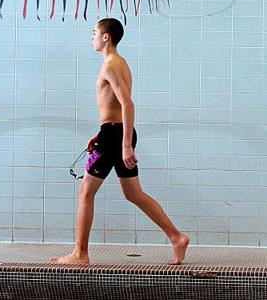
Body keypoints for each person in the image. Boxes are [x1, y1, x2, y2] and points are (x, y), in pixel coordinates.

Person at [52, 17, 190, 266]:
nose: (91, 37)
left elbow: (127, 103)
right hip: (113, 132)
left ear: (106, 36)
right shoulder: (119, 63)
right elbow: (114, 106)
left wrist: (125, 144)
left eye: (94, 32)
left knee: (86, 192)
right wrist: (102, 131)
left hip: (116, 136)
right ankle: (176, 237)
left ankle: (80, 254)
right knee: (134, 193)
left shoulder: (111, 65)